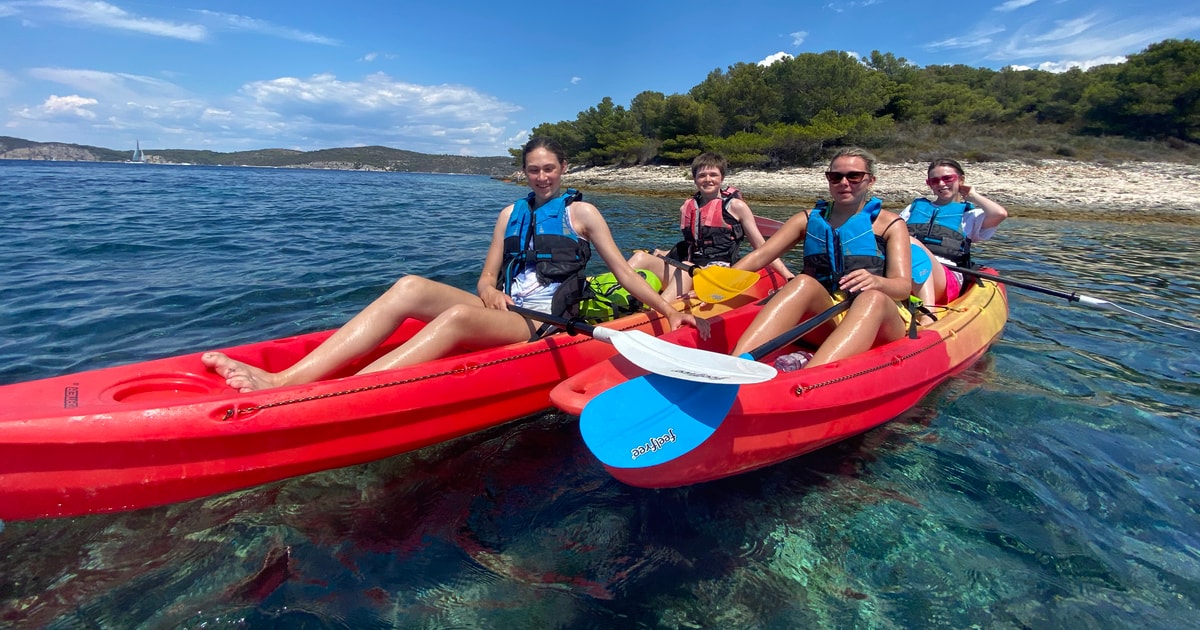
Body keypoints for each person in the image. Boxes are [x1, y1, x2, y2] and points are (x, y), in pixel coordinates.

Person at [202, 137, 710, 392]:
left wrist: (668, 311)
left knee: (459, 318)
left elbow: (622, 271)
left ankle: (337, 393)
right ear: (525, 172)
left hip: (544, 321)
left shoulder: (583, 213)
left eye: (548, 169)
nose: (540, 178)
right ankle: (286, 379)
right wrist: (488, 287)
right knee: (408, 286)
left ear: (563, 170)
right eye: (532, 170)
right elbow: (487, 274)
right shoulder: (510, 212)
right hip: (505, 308)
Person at [729, 147, 912, 369]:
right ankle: (736, 364)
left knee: (872, 297)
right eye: (835, 177)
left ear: (870, 180)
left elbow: (902, 287)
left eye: (854, 176)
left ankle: (810, 378)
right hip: (829, 316)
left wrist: (877, 282)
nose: (844, 183)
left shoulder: (891, 224)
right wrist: (720, 282)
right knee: (802, 282)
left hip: (880, 321)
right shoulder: (806, 219)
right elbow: (762, 255)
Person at [626, 152, 793, 299]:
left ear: (722, 177)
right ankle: (609, 299)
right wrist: (663, 253)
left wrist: (787, 275)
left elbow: (762, 248)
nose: (708, 180)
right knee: (640, 257)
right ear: (695, 179)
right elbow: (691, 246)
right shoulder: (687, 207)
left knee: (688, 269)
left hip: (718, 276)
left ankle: (657, 315)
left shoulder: (736, 207)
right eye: (702, 175)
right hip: (691, 271)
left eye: (713, 175)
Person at [903, 158, 1008, 310]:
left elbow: (1000, 214)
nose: (941, 184)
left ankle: (928, 313)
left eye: (947, 178)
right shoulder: (913, 209)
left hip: (946, 277)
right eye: (934, 180)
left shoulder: (971, 215)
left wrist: (973, 195)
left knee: (909, 244)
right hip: (905, 271)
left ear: (961, 179)